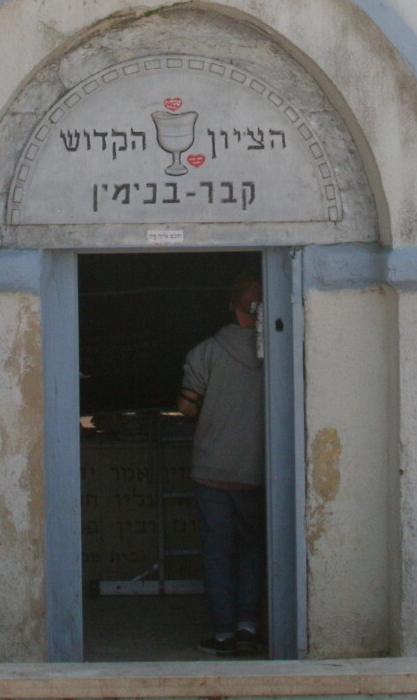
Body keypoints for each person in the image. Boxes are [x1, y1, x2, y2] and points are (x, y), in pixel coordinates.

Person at [178, 273, 265, 656]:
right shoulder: (279, 349)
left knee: (217, 551)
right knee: (253, 549)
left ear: (231, 306)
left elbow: (186, 407)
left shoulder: (205, 352)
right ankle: (249, 627)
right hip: (260, 471)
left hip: (212, 470)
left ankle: (223, 633)